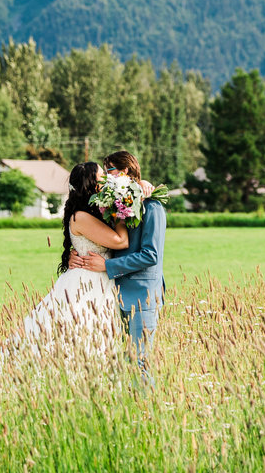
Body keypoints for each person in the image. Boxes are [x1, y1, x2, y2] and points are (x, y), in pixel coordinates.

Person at [3, 161, 127, 361]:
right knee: (77, 337)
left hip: (99, 282)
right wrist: (123, 211)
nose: (107, 180)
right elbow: (120, 241)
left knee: (94, 338)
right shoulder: (81, 217)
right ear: (92, 185)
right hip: (86, 285)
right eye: (102, 176)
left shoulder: (95, 213)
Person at [68, 150, 165, 376]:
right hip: (111, 295)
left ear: (125, 171)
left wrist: (107, 267)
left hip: (142, 295)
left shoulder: (152, 206)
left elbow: (151, 255)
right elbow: (96, 239)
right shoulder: (111, 206)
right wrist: (74, 254)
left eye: (109, 171)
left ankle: (144, 411)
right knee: (116, 362)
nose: (106, 178)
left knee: (140, 361)